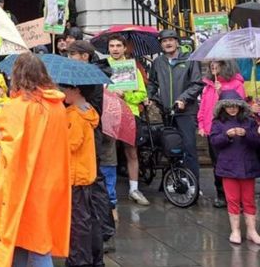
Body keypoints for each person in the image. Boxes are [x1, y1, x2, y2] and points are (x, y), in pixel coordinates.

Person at [0, 52, 71, 267]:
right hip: (51, 182)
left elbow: (8, 147)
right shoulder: (58, 106)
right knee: (38, 240)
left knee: (17, 239)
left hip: (22, 184)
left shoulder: (17, 108)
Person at [66, 40, 117, 251]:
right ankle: (102, 228)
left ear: (84, 56)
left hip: (88, 136)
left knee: (94, 184)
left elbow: (87, 106)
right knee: (95, 182)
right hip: (89, 134)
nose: (70, 59)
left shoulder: (87, 77)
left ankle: (102, 228)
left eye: (72, 55)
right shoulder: (88, 73)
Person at [147, 29, 204, 180]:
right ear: (161, 45)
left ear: (177, 43)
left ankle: (193, 183)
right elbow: (152, 83)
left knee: (189, 148)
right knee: (172, 148)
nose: (168, 43)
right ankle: (177, 181)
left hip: (186, 112)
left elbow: (197, 83)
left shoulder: (190, 59)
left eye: (171, 40)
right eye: (164, 41)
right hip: (167, 112)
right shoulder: (158, 62)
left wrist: (184, 99)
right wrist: (151, 97)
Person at [209, 90, 260, 245]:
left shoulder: (249, 121)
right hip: (228, 168)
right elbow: (214, 142)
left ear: (240, 107)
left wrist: (246, 134)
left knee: (249, 200)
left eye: (235, 106)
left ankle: (252, 230)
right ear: (223, 108)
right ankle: (235, 230)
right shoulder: (218, 123)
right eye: (228, 106)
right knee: (233, 199)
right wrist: (226, 136)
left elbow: (257, 142)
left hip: (247, 166)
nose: (232, 109)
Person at [60, 83, 103, 267]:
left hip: (76, 175)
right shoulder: (86, 111)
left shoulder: (75, 115)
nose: (62, 93)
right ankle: (95, 259)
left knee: (78, 223)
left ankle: (79, 260)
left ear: (76, 90)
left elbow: (71, 144)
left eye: (65, 89)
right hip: (85, 174)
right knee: (89, 219)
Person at [106, 34, 150, 206]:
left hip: (130, 113)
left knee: (131, 151)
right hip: (109, 113)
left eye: (118, 46)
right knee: (108, 152)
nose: (115, 49)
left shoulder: (133, 68)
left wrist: (127, 95)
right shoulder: (103, 67)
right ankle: (109, 190)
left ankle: (134, 188)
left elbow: (142, 94)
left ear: (125, 48)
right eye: (112, 46)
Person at [198, 60, 245, 208]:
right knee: (217, 164)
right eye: (212, 62)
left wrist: (221, 93)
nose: (213, 65)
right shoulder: (208, 86)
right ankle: (221, 195)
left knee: (232, 162)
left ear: (226, 65)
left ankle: (237, 197)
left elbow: (239, 107)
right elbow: (203, 108)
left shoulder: (236, 84)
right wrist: (200, 124)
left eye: (217, 62)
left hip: (231, 130)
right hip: (212, 130)